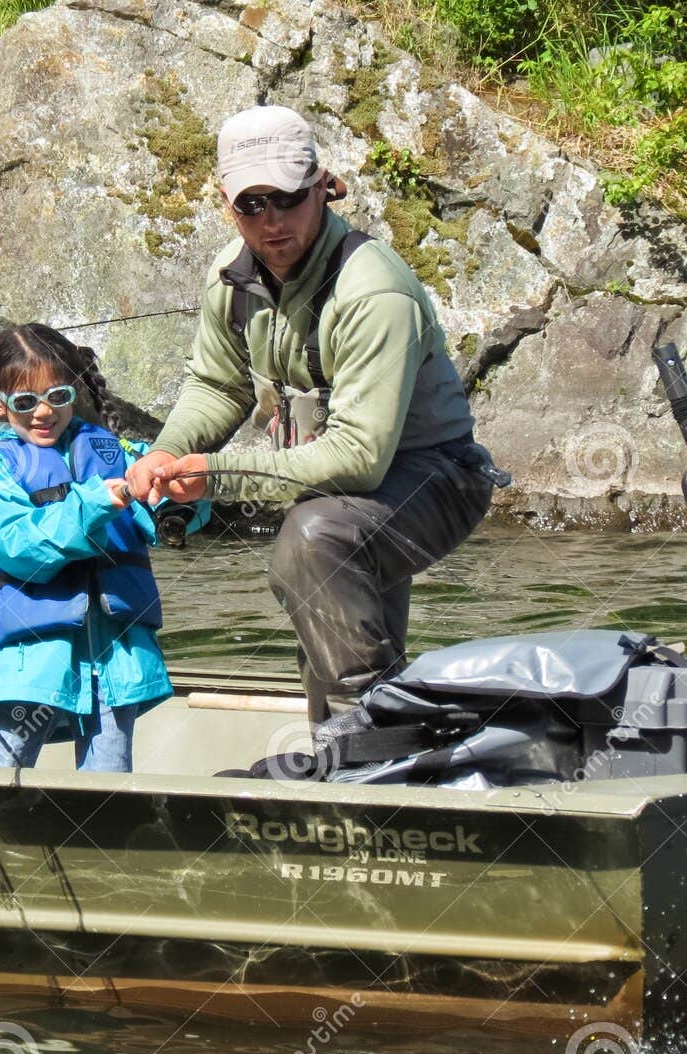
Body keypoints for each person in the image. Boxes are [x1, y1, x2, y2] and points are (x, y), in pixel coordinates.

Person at [127, 105, 500, 724]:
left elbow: (358, 456)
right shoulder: (232, 279)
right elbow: (218, 388)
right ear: (227, 201)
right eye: (252, 204)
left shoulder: (373, 289)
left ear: (323, 186)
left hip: (438, 478)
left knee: (313, 540)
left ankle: (378, 730)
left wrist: (214, 476)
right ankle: (349, 749)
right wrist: (166, 454)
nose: (271, 221)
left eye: (288, 198)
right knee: (324, 577)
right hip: (333, 486)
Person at [0, 323, 204, 771]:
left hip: (118, 659)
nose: (43, 412)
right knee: (4, 770)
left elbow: (166, 514)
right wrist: (94, 503)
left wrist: (184, 496)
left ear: (75, 392)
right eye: (25, 402)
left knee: (108, 788)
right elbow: (20, 545)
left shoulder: (113, 451)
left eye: (58, 397)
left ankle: (97, 841)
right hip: (34, 662)